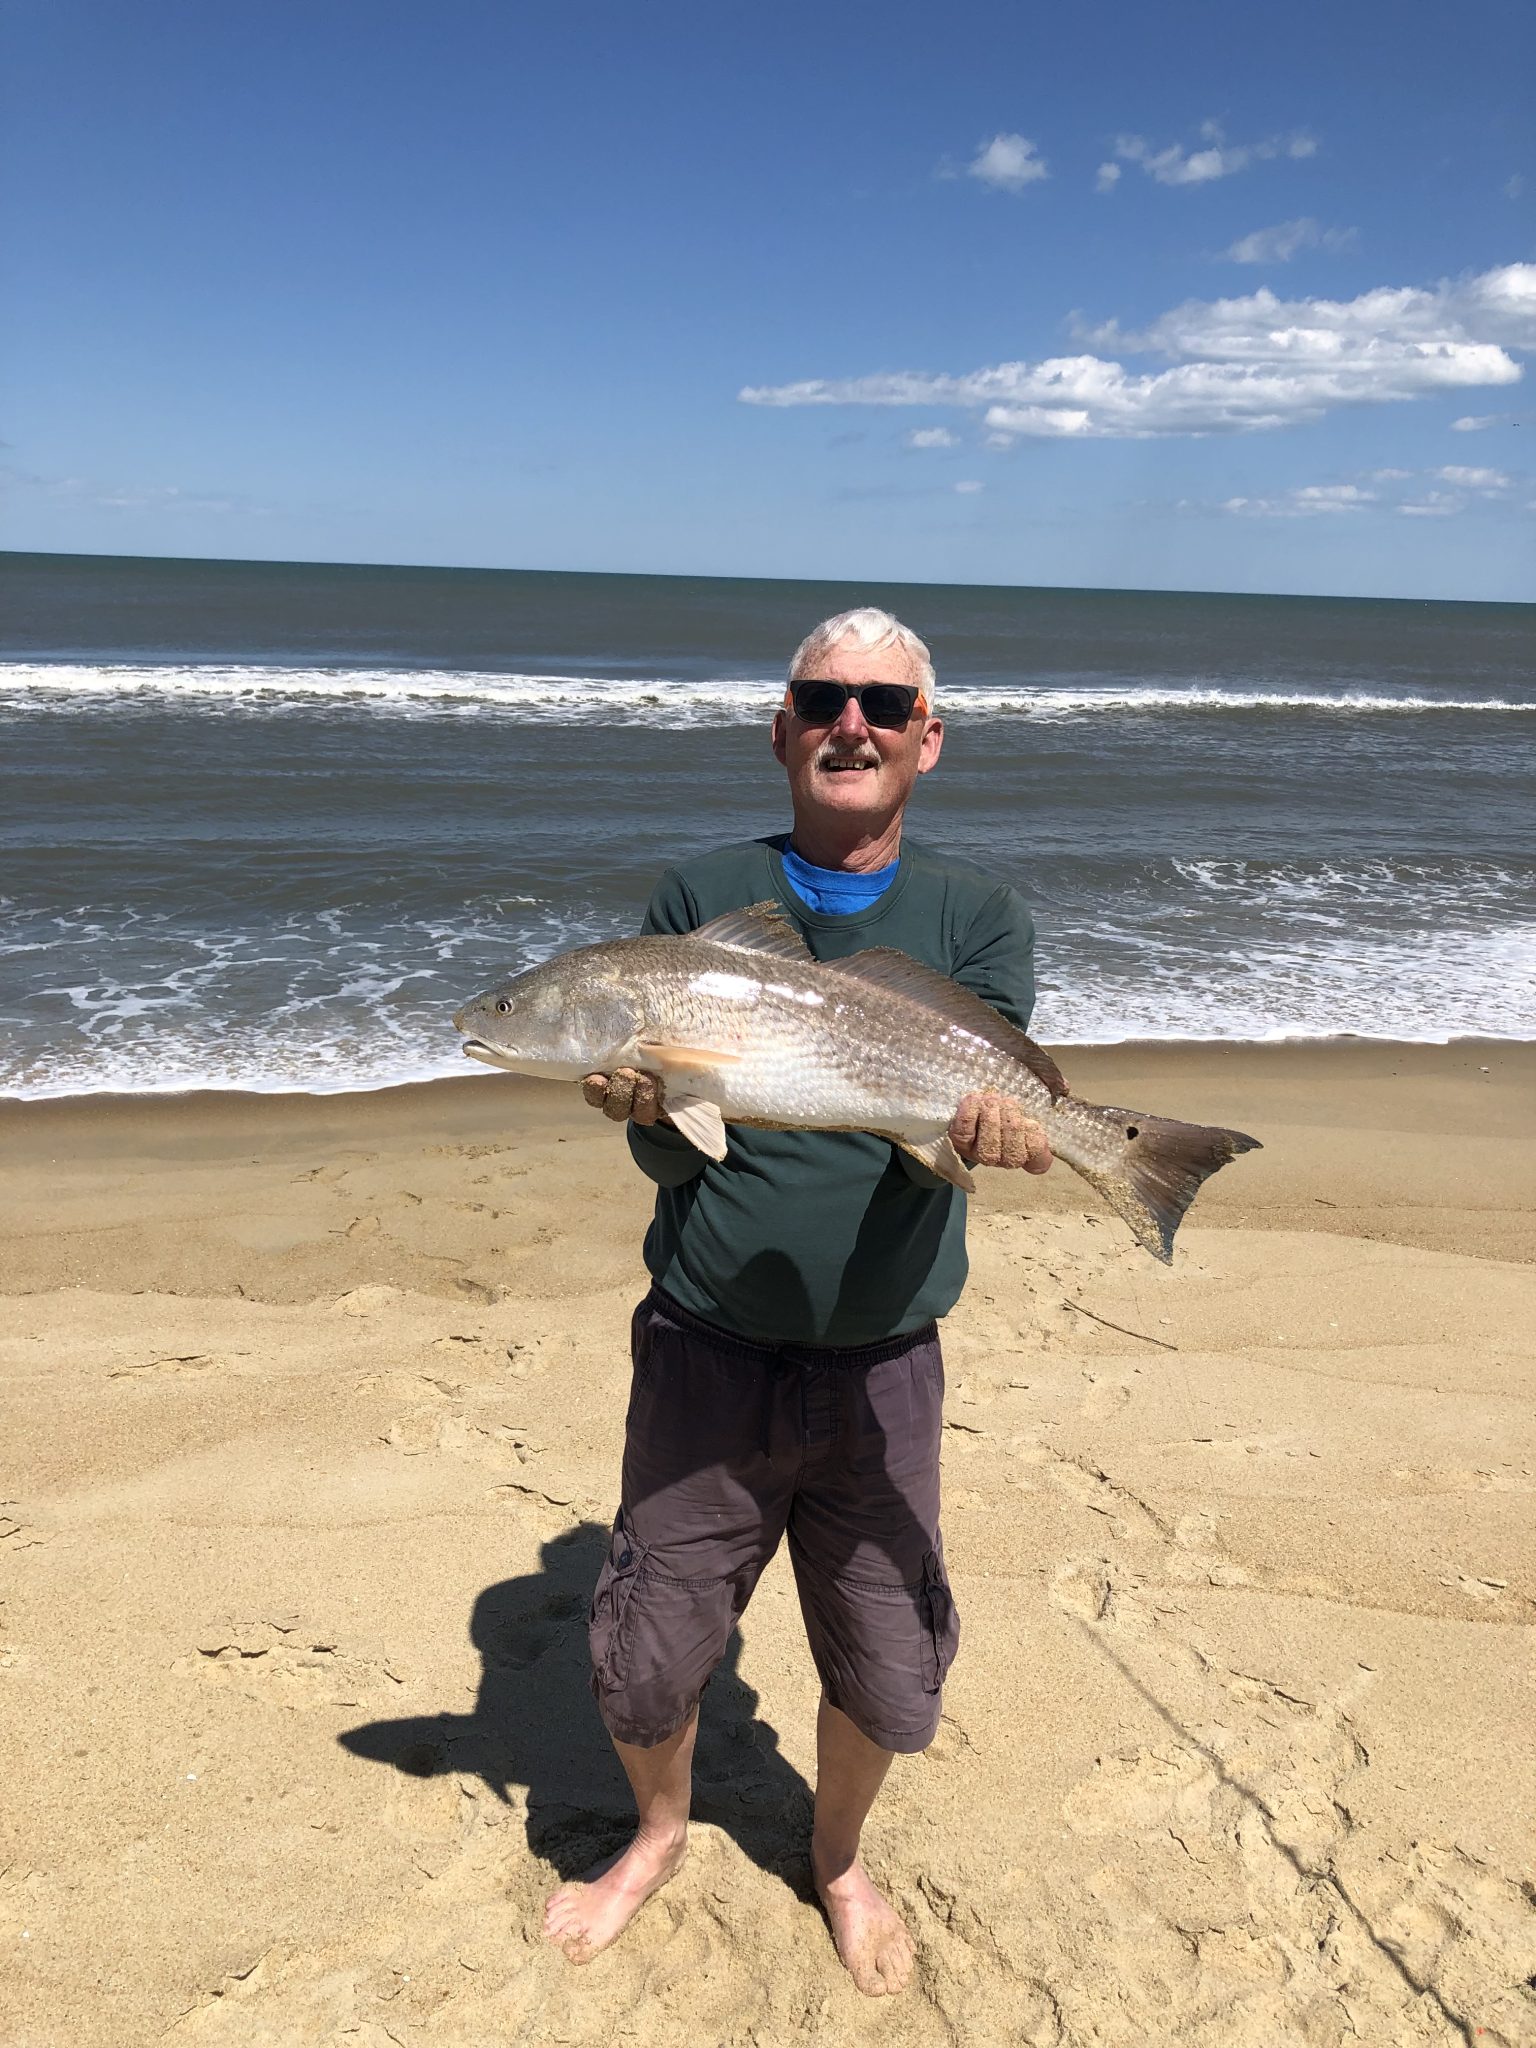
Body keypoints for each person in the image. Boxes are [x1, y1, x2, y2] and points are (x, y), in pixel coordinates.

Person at [543, 607, 1052, 1995]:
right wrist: (644, 1110)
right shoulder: (693, 899)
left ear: (926, 742)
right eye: (824, 698)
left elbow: (951, 1152)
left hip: (883, 1367)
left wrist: (984, 1137)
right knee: (648, 1658)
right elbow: (670, 1149)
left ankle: (834, 1857)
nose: (854, 722)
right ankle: (657, 1833)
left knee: (890, 1668)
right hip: (705, 1350)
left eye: (886, 705)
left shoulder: (979, 919)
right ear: (780, 731)